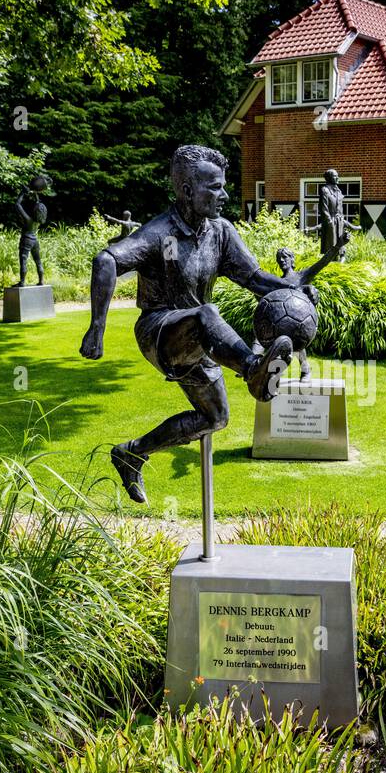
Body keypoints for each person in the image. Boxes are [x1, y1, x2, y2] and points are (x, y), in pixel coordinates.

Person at [79, 145, 312, 505]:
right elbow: (106, 260)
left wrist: (295, 289)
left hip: (201, 341)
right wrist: (97, 328)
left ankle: (132, 453)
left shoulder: (220, 232)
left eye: (224, 186)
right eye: (214, 187)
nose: (224, 195)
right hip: (160, 333)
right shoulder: (160, 232)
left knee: (215, 417)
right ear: (187, 190)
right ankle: (254, 369)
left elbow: (256, 279)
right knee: (207, 314)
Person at [302, 168, 350, 260]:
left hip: (339, 221)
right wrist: (329, 222)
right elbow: (324, 208)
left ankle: (341, 263)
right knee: (331, 246)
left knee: (341, 247)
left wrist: (341, 219)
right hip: (330, 221)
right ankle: (331, 264)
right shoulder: (325, 190)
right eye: (335, 176)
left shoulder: (338, 191)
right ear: (329, 178)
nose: (337, 178)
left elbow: (340, 208)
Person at [14, 176, 48, 286]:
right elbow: (38, 203)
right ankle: (41, 280)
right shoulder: (38, 221)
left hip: (26, 239)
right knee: (38, 261)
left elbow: (17, 205)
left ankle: (22, 282)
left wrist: (23, 193)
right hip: (35, 240)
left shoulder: (28, 220)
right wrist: (34, 193)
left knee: (23, 260)